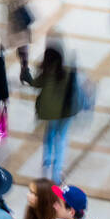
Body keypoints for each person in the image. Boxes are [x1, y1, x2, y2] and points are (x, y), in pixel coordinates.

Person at [23, 41, 89, 183]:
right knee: (62, 138)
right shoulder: (66, 71)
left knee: (50, 135)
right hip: (66, 112)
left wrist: (26, 73)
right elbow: (77, 89)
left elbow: (35, 84)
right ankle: (56, 173)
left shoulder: (46, 72)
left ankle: (46, 162)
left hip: (50, 112)